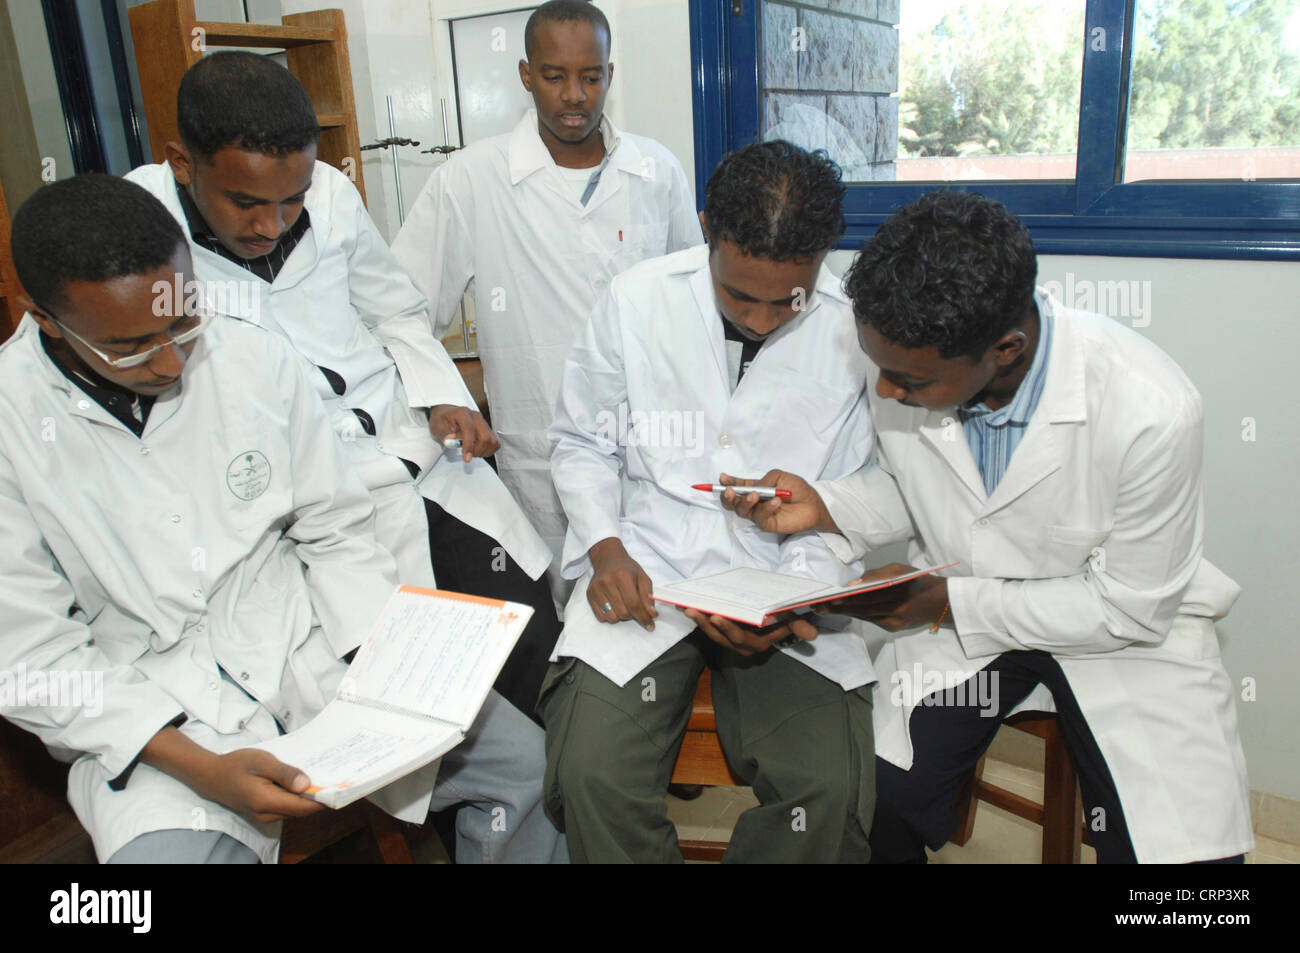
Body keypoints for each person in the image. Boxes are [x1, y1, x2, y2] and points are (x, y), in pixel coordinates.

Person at [0, 174, 565, 864]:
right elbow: (31, 657)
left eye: (184, 321)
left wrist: (379, 665)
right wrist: (203, 768)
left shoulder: (251, 357)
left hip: (313, 655)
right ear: (44, 318)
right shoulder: (12, 423)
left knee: (529, 770)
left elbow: (336, 522)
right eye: (134, 346)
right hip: (159, 721)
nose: (174, 361)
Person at [723, 190, 1255, 864]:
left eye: (905, 379)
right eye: (878, 367)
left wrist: (948, 602)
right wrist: (827, 503)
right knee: (873, 802)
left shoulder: (1152, 408)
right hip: (964, 626)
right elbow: (917, 487)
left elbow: (1131, 608)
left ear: (1005, 349)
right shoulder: (911, 353)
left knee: (1190, 873)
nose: (883, 391)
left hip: (1123, 635)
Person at [125, 51, 558, 723]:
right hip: (288, 498)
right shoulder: (138, 231)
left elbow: (392, 308)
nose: (271, 225)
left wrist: (442, 393)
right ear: (184, 164)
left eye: (289, 201)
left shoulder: (329, 189)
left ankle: (534, 801)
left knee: (525, 623)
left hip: (402, 446)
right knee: (406, 679)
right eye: (245, 203)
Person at [539, 141, 877, 863]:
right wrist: (605, 547)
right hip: (649, 573)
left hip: (789, 586)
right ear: (705, 229)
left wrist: (791, 599)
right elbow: (579, 442)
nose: (760, 320)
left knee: (828, 787)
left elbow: (850, 491)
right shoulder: (637, 300)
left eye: (786, 299)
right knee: (590, 771)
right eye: (738, 296)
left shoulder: (857, 328)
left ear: (822, 257)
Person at [392, 0, 702, 606]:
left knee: (661, 610)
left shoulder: (655, 171)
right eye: (555, 76)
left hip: (653, 442)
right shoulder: (472, 177)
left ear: (611, 76)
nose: (574, 96)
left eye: (591, 76)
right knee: (558, 614)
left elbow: (690, 306)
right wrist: (445, 396)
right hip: (539, 451)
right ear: (526, 75)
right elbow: (401, 305)